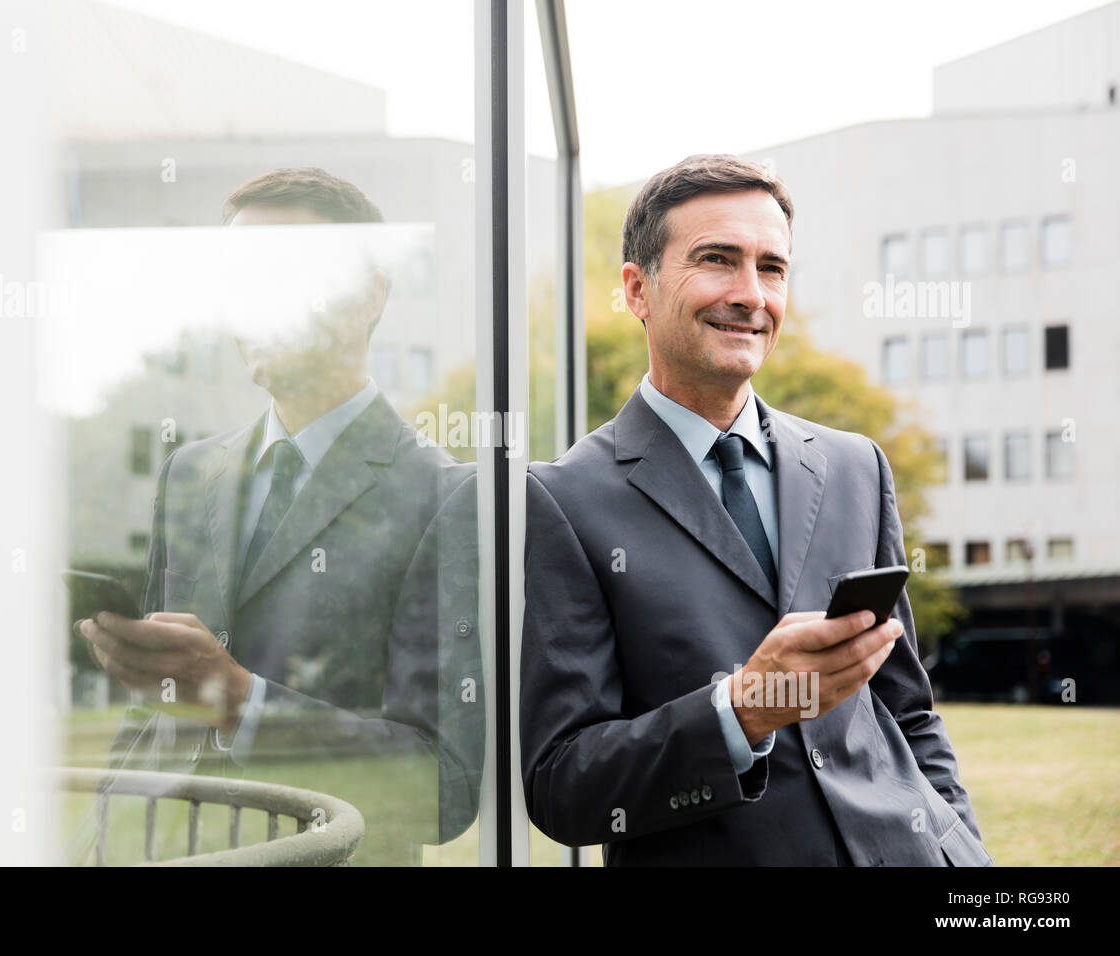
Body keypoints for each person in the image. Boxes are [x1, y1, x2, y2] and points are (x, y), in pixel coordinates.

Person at [519, 154, 991, 866]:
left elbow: (907, 708)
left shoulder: (855, 467)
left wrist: (963, 850)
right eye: (717, 259)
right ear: (637, 289)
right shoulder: (563, 500)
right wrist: (743, 710)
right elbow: (563, 787)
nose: (750, 294)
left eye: (771, 268)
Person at [78, 167, 483, 865]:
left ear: (371, 296)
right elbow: (152, 718)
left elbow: (441, 788)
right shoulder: (190, 474)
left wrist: (240, 701)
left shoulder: (448, 498)